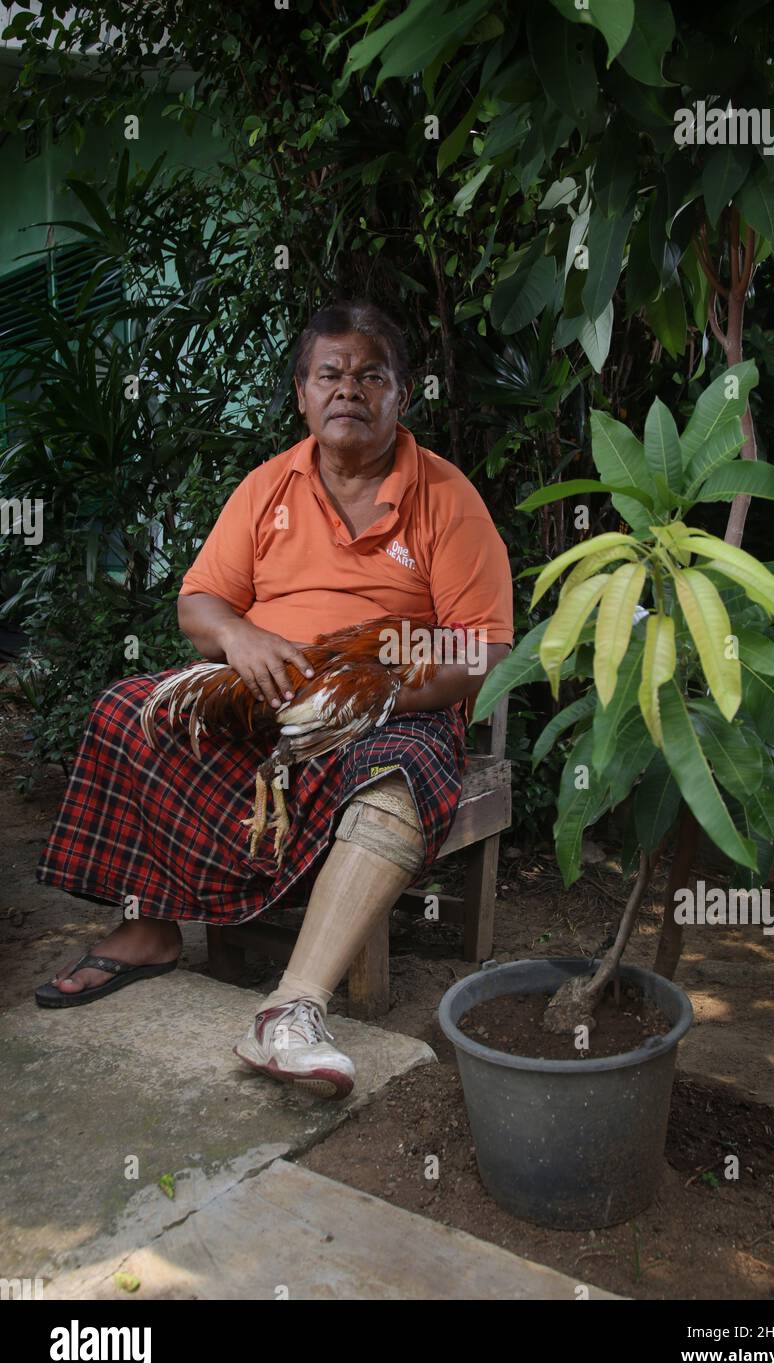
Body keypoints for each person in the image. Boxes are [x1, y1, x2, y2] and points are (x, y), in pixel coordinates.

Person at [34, 300, 514, 1099]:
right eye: (330, 374)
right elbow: (199, 603)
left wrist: (376, 692)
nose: (348, 390)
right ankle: (151, 926)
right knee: (128, 706)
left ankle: (291, 1008)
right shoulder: (268, 487)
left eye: (371, 376)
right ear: (302, 394)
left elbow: (484, 650)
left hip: (394, 709)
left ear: (401, 396)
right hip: (270, 696)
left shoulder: (446, 498)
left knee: (399, 772)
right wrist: (240, 638)